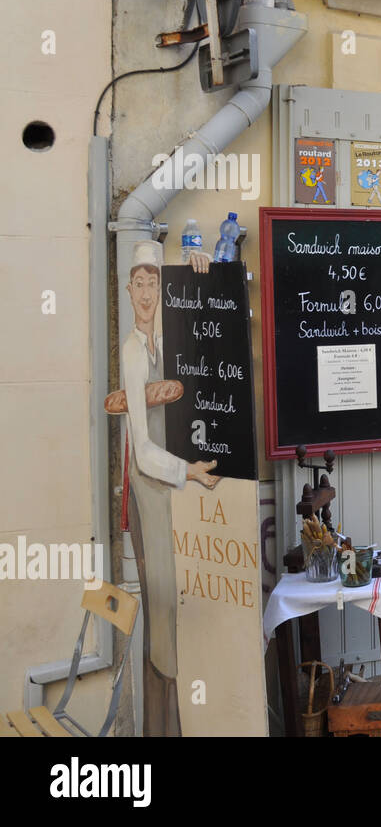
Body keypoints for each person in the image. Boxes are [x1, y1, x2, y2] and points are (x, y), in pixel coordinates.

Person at [120, 240, 220, 735]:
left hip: (179, 482)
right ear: (128, 288)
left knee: (186, 608)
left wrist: (201, 267)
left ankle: (188, 720)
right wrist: (191, 471)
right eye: (138, 282)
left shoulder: (172, 336)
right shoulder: (133, 353)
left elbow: (208, 316)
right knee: (164, 616)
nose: (145, 291)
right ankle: (165, 729)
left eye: (154, 282)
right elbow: (141, 448)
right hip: (153, 488)